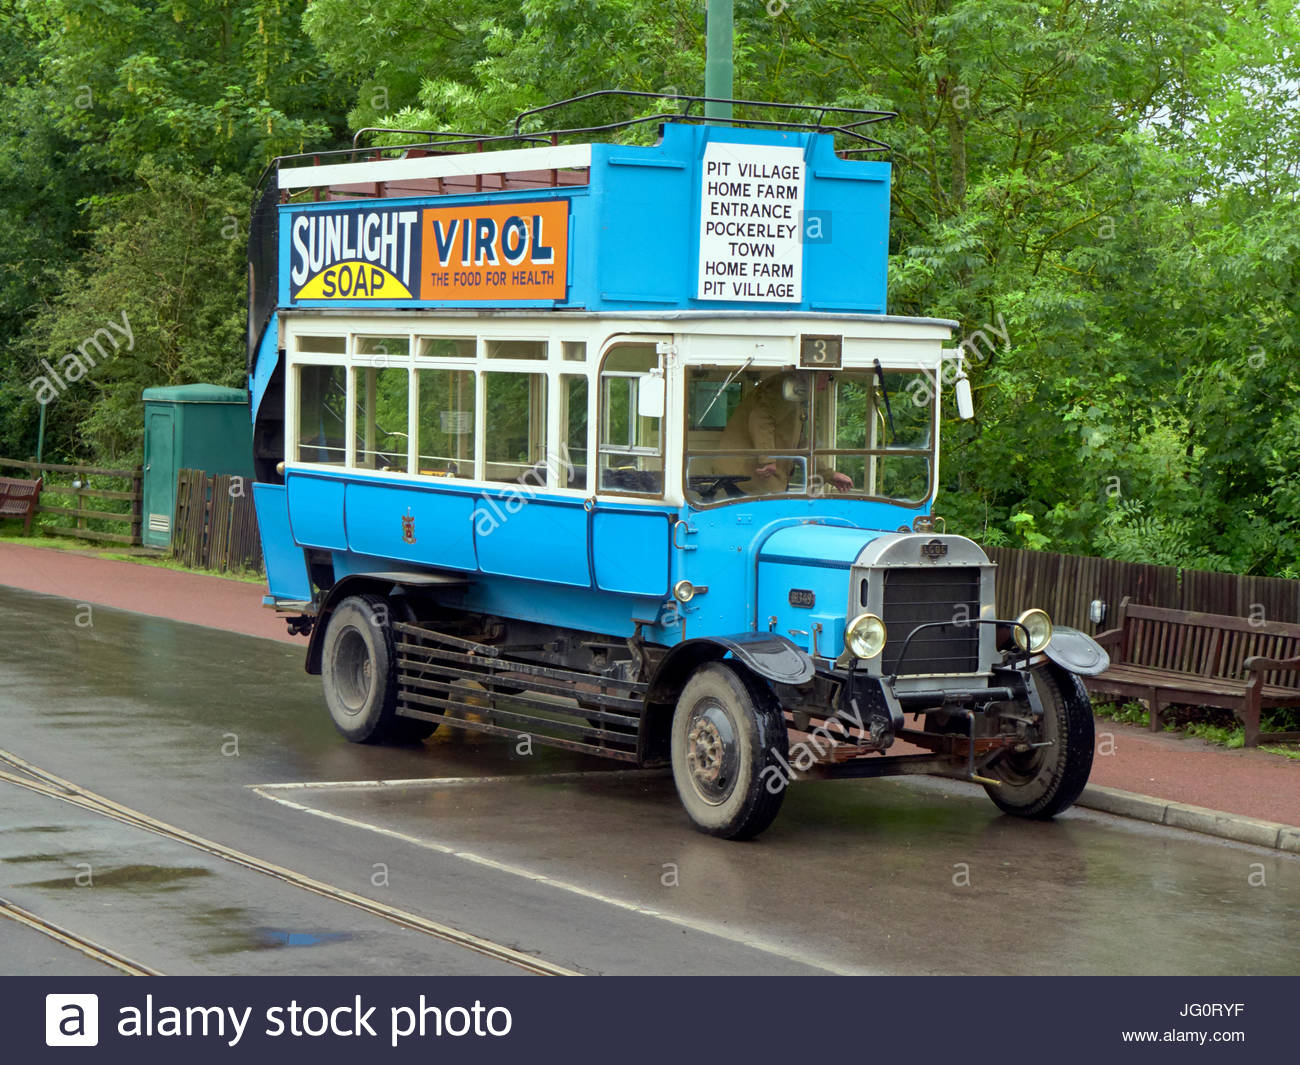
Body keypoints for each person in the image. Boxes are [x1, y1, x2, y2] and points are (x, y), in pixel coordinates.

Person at [716, 371, 853, 493]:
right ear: (808, 373)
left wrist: (828, 475)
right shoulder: (783, 388)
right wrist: (767, 459)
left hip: (756, 478)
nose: (827, 383)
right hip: (747, 476)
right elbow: (761, 419)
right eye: (827, 376)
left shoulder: (796, 395)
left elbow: (799, 445)